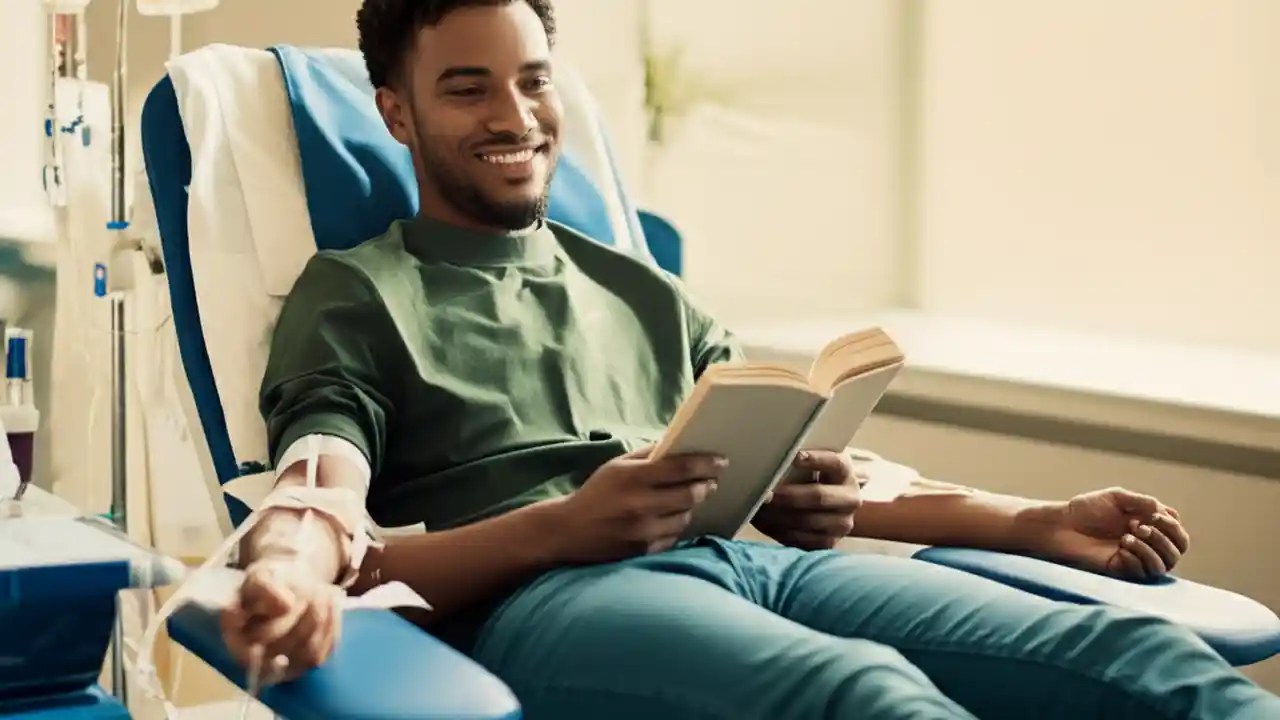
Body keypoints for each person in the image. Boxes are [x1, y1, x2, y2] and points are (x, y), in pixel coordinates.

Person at [220, 1, 1280, 718]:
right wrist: (288, 563)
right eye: (466, 90)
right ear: (396, 112)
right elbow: (321, 479)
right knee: (864, 698)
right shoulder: (359, 290)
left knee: (1134, 661)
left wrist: (1027, 521)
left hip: (758, 566)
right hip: (555, 602)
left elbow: (799, 455)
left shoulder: (637, 287)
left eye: (533, 82)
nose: (514, 116)